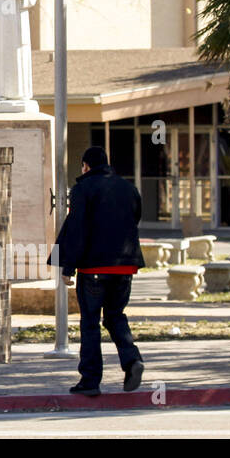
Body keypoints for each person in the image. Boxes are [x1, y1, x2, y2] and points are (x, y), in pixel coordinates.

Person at [52, 145, 146, 397]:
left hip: (94, 268)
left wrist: (67, 267)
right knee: (115, 316)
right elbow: (134, 219)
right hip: (125, 266)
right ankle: (132, 360)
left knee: (90, 322)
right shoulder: (129, 189)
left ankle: (90, 381)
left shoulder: (83, 189)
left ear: (85, 166)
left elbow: (76, 228)